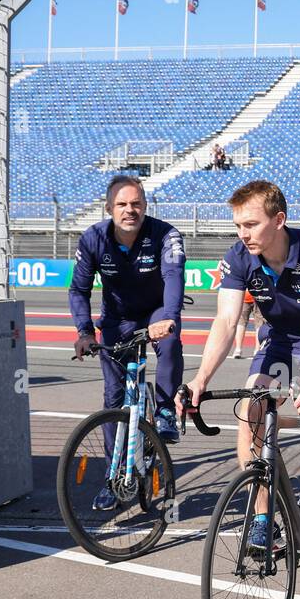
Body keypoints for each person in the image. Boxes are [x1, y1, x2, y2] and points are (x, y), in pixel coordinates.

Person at [185, 180, 300, 551]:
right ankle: (262, 518)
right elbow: (225, 321)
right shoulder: (238, 257)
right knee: (250, 411)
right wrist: (200, 379)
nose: (243, 234)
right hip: (280, 341)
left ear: (279, 219)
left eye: (251, 224)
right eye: (238, 225)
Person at [69, 175, 186, 507]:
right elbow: (79, 290)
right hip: (117, 318)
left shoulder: (166, 235)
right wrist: (84, 332)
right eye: (122, 204)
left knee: (170, 341)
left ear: (145, 206)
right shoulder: (92, 239)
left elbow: (174, 277)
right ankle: (113, 477)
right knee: (114, 399)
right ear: (109, 208)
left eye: (136, 203)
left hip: (157, 310)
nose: (129, 210)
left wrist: (170, 318)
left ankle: (165, 411)